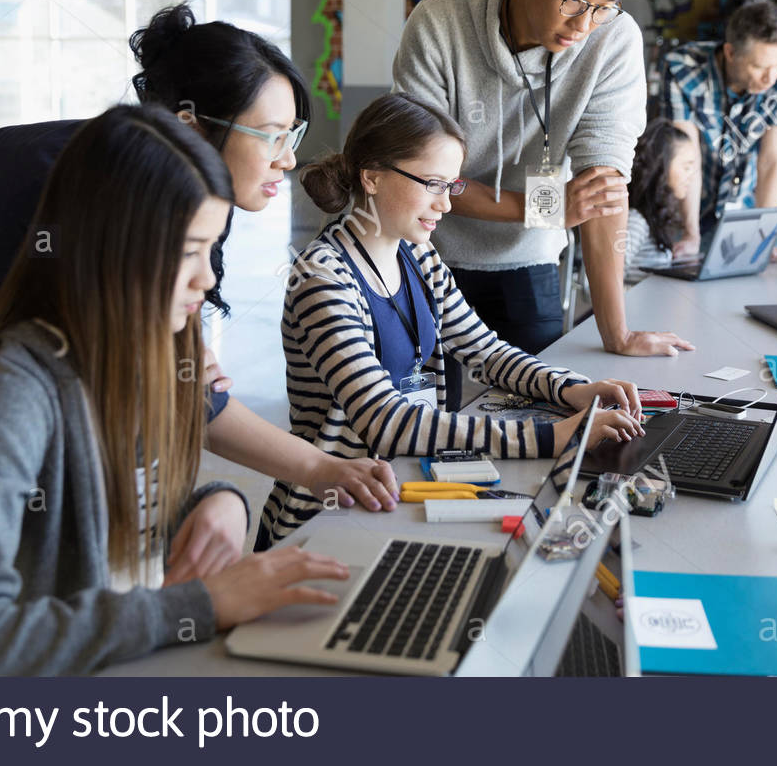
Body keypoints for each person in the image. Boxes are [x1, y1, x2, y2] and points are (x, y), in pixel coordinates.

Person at [0, 3, 396, 552]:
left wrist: (320, 468)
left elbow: (189, 390)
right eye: (272, 134)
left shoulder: (195, 194)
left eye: (292, 135)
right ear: (191, 125)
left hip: (14, 351)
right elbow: (148, 384)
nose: (288, 159)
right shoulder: (77, 189)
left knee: (65, 548)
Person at [0, 106, 351, 676]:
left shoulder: (148, 355)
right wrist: (201, 605)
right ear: (110, 245)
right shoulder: (13, 391)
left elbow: (125, 529)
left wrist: (218, 502)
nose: (208, 278)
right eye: (189, 251)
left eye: (210, 249)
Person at [259, 93, 645, 547]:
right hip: (324, 522)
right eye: (433, 184)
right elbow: (385, 420)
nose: (445, 205)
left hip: (399, 493)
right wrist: (549, 435)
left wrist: (569, 387)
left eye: (452, 187)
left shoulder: (419, 256)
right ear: (373, 177)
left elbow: (485, 351)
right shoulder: (323, 278)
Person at [393, 0, 694, 371]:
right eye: (574, 1)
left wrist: (615, 332)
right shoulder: (439, 22)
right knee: (428, 413)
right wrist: (538, 208)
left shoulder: (614, 39)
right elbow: (416, 175)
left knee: (537, 405)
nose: (585, 25)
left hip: (526, 259)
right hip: (426, 249)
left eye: (604, 6)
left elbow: (603, 191)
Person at [664, 0, 777, 256]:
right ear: (730, 53)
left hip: (745, 212)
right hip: (688, 205)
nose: (770, 77)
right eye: (760, 66)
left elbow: (773, 160)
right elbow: (687, 157)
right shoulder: (682, 67)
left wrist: (767, 237)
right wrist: (690, 233)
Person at [623, 118, 700, 281]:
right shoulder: (636, 222)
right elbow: (603, 282)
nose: (691, 176)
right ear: (662, 167)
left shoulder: (656, 219)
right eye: (686, 167)